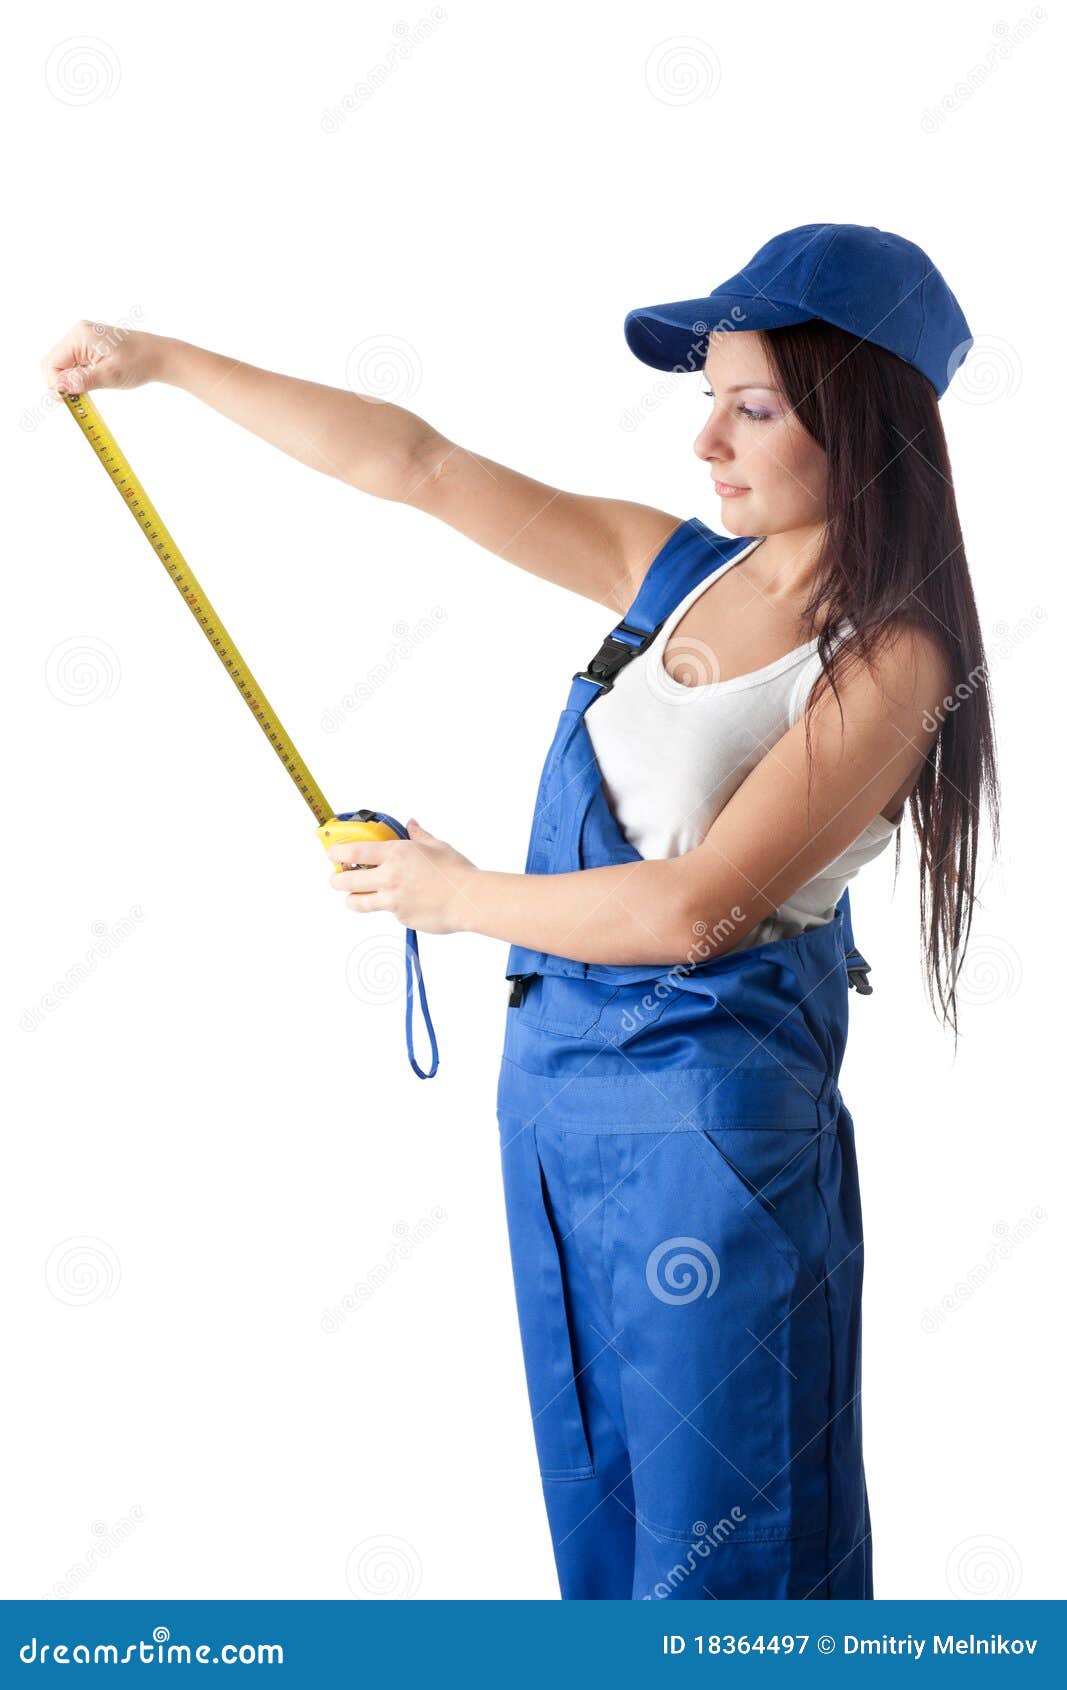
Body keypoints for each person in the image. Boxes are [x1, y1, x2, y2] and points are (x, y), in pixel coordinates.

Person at [42, 223, 1000, 1600]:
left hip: (710, 1138)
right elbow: (421, 466)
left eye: (753, 406)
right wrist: (167, 362)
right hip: (559, 1111)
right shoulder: (679, 570)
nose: (707, 443)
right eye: (707, 399)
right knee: (607, 1541)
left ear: (865, 422)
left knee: (734, 1553)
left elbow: (694, 912)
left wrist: (462, 893)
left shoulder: (891, 660)